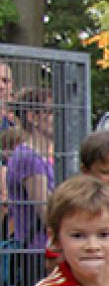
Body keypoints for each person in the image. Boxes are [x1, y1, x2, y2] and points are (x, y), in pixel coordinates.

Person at [6, 89, 54, 250]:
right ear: (32, 117)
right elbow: (47, 212)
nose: (58, 118)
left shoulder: (40, 156)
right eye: (51, 112)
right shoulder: (29, 158)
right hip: (37, 251)